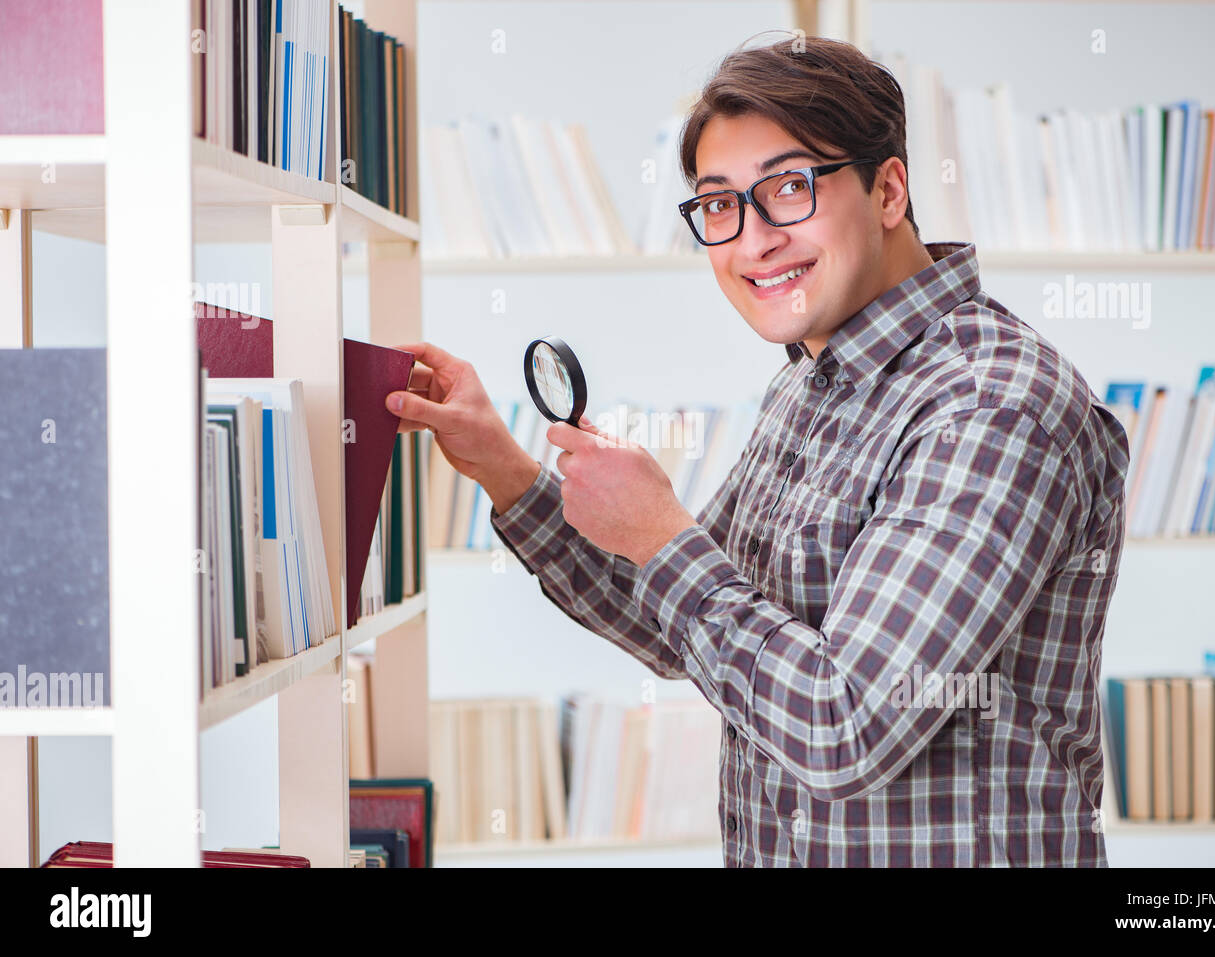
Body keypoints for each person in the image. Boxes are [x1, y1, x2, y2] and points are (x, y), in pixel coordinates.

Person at [386, 34, 1129, 867]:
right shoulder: (810, 382)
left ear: (889, 190)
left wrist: (665, 533)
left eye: (789, 188)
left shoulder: (992, 403)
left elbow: (846, 724)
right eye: (718, 205)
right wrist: (505, 469)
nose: (751, 241)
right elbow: (683, 624)